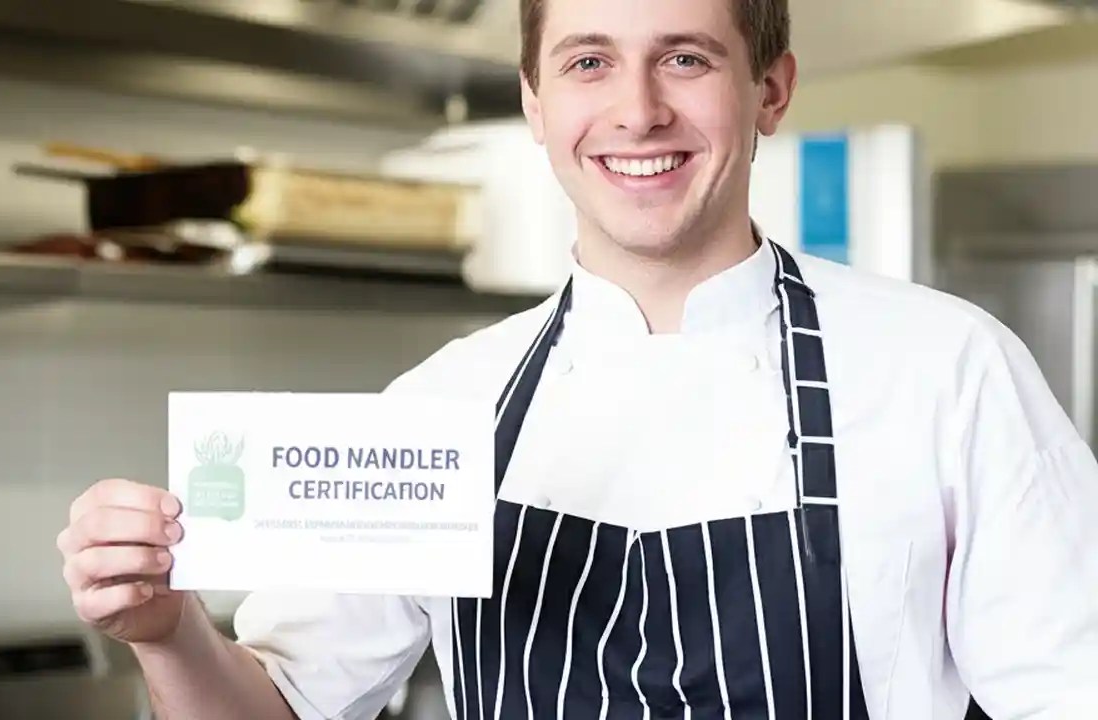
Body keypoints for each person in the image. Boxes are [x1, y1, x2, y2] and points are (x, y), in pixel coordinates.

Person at [56, 0, 1098, 717]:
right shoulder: (443, 406)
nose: (636, 109)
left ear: (769, 90)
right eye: (587, 61)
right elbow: (281, 708)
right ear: (534, 103)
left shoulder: (946, 370)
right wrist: (165, 631)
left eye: (684, 57)